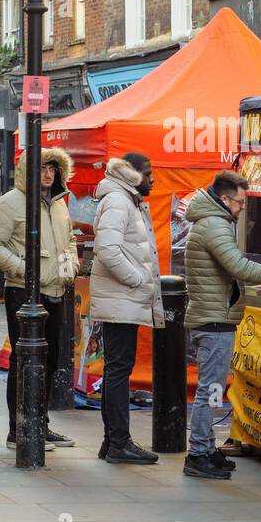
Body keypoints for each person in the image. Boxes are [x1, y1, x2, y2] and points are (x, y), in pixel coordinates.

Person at [181, 170, 261, 480]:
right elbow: (237, 266)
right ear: (224, 199)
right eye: (239, 201)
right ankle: (198, 454)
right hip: (214, 320)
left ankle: (206, 448)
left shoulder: (211, 221)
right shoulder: (214, 225)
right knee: (211, 389)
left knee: (214, 387)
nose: (242, 207)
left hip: (213, 316)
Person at [0, 147, 79, 451]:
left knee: (50, 361)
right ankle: (18, 429)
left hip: (57, 291)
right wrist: (25, 269)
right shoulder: (10, 203)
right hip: (24, 292)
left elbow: (70, 239)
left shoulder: (60, 203)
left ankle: (40, 423)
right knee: (24, 361)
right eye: (41, 168)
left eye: (52, 168)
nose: (48, 174)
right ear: (27, 171)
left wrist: (71, 266)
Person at [89, 153, 164, 464]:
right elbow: (107, 248)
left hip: (121, 298)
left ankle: (113, 441)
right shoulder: (120, 201)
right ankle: (119, 442)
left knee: (116, 370)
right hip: (121, 298)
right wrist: (136, 279)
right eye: (148, 173)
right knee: (119, 370)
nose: (152, 179)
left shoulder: (124, 198)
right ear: (132, 175)